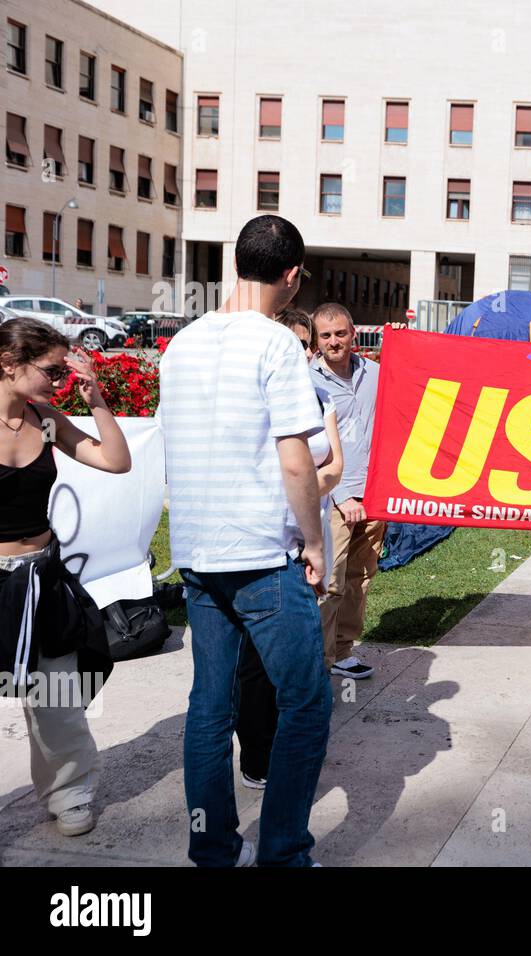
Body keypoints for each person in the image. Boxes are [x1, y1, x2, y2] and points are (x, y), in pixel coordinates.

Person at [159, 214, 331, 867]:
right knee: (307, 703)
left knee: (209, 707)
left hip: (199, 553)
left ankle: (211, 849)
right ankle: (283, 850)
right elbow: (296, 459)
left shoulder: (181, 344)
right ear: (291, 275)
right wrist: (314, 544)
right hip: (261, 555)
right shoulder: (276, 344)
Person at [0, 318, 130, 837]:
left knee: (56, 695)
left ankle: (70, 793)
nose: (59, 381)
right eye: (52, 370)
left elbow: (115, 461)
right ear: (10, 363)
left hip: (39, 576)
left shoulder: (46, 419)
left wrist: (96, 398)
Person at [234, 308, 343, 790]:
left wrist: (299, 491)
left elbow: (334, 467)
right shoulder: (254, 399)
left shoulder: (321, 398)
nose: (301, 351)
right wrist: (296, 489)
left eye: (305, 343)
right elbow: (260, 474)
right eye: (294, 341)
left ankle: (290, 745)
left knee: (301, 652)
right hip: (268, 543)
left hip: (308, 535)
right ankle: (258, 757)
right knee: (257, 660)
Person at [312, 303, 382, 680]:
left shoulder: (377, 373)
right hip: (335, 499)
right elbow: (311, 449)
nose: (334, 341)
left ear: (354, 333)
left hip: (375, 494)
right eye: (326, 335)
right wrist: (342, 497)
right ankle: (319, 666)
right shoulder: (309, 381)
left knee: (360, 578)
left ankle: (343, 652)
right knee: (332, 583)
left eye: (340, 333)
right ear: (316, 339)